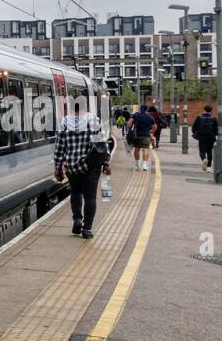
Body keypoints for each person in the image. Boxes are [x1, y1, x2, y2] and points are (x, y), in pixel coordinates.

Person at [55, 99, 113, 239]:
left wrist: (58, 167)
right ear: (85, 107)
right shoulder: (93, 120)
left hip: (72, 166)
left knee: (75, 192)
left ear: (71, 108)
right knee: (90, 196)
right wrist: (106, 163)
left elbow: (60, 147)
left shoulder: (64, 122)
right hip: (90, 166)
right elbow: (102, 143)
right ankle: (87, 228)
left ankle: (77, 219)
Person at [127, 103, 156, 171]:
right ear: (147, 110)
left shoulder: (136, 115)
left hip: (137, 135)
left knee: (137, 149)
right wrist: (151, 132)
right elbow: (155, 127)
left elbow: (129, 122)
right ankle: (145, 165)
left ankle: (137, 164)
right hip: (146, 135)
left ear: (140, 109)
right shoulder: (150, 117)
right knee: (145, 149)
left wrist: (129, 130)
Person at [191, 104, 220, 172]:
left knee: (202, 151)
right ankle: (209, 167)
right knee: (209, 152)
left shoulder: (199, 117)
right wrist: (216, 135)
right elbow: (216, 129)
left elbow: (194, 127)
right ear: (211, 110)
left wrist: (195, 133)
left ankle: (204, 159)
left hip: (202, 136)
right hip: (211, 137)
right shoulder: (214, 118)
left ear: (204, 109)